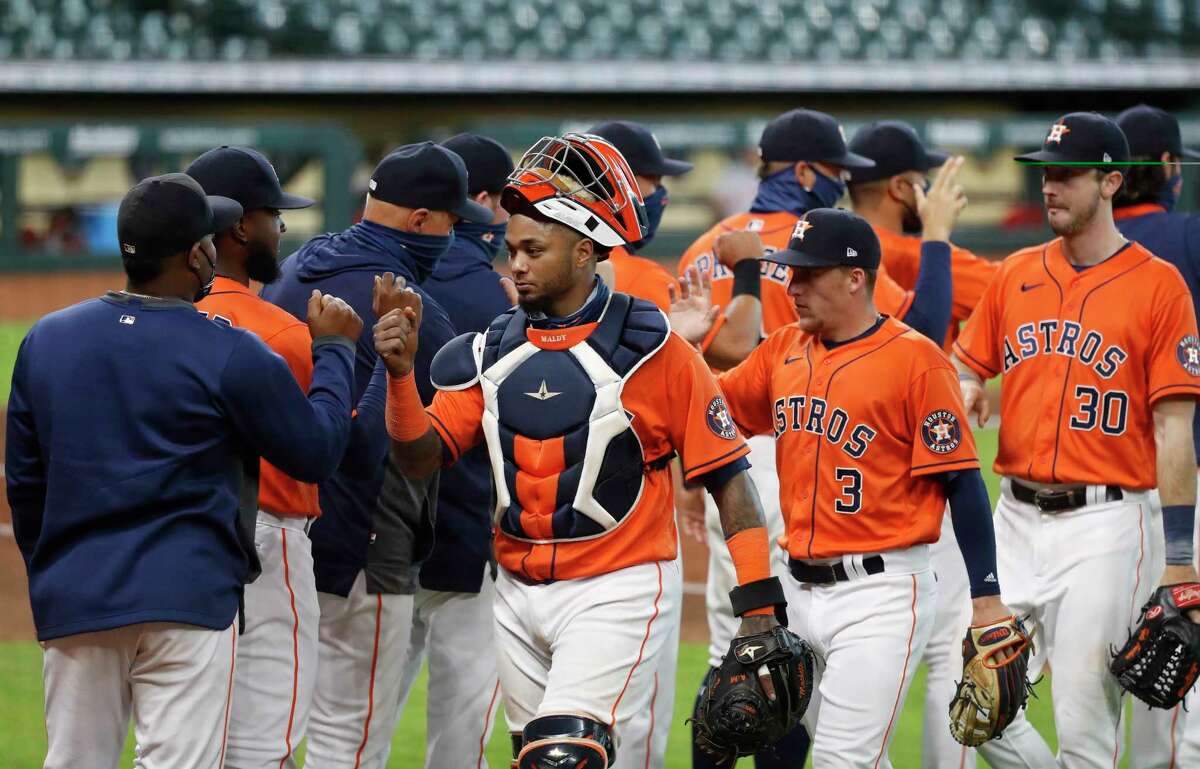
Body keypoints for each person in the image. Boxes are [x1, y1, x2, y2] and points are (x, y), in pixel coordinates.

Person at [376, 132, 784, 769]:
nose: (517, 264)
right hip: (514, 588)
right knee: (539, 755)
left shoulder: (655, 350)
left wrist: (758, 605)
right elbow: (418, 458)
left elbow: (729, 476)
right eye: (511, 249)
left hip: (618, 586)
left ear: (586, 249)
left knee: (562, 756)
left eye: (534, 250)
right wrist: (401, 378)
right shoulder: (487, 352)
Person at [6, 173, 364, 769]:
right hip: (188, 600)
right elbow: (317, 451)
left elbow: (26, 483)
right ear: (199, 254)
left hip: (78, 595)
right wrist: (334, 353)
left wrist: (58, 565)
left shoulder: (47, 340)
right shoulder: (228, 350)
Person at [675, 107, 961, 769]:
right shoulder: (826, 248)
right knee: (784, 671)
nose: (841, 185)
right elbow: (924, 326)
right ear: (804, 171)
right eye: (835, 173)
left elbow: (693, 371)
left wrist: (692, 478)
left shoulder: (706, 244)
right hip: (800, 452)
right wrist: (939, 238)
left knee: (739, 658)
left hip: (722, 452)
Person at [712, 207, 1014, 768]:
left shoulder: (916, 361)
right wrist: (678, 345)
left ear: (856, 278)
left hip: (882, 594)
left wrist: (987, 598)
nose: (792, 285)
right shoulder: (782, 349)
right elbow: (709, 407)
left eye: (808, 274)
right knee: (853, 759)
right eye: (789, 271)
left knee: (841, 761)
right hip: (797, 594)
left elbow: (962, 484)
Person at [953, 112, 1200, 769]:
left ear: (1112, 181)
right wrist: (968, 384)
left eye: (1067, 174)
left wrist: (1179, 558)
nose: (1050, 186)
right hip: (1013, 516)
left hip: (1107, 523)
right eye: (1044, 174)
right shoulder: (1015, 273)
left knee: (1085, 727)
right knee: (979, 704)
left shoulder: (1158, 285)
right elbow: (965, 363)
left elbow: (1176, 428)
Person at [262, 142, 491, 768]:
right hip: (366, 536)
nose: (455, 233)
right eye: (451, 220)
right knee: (350, 737)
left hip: (278, 529)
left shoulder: (295, 270)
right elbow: (460, 422)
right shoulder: (407, 302)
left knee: (262, 731)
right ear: (419, 221)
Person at [187, 145, 386, 769]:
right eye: (274, 213)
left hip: (176, 545)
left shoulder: (161, 318)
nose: (282, 227)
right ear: (241, 227)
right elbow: (340, 445)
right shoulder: (279, 334)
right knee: (263, 742)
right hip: (267, 549)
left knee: (186, 738)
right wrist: (371, 359)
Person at [845, 120, 998, 769]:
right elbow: (1006, 291)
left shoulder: (824, 254)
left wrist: (967, 365)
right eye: (922, 179)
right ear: (905, 187)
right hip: (913, 478)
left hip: (830, 475)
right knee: (949, 656)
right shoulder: (901, 254)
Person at [391, 132, 515, 769]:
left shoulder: (382, 267)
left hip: (377, 528)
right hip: (462, 526)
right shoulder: (494, 291)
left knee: (355, 724)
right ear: (486, 201)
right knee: (461, 726)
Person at [1114, 104, 1200, 769]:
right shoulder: (1192, 237)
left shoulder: (1085, 249)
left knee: (1130, 658)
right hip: (1189, 480)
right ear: (1168, 167)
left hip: (1102, 497)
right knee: (1181, 665)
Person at [589, 119, 693, 312]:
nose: (660, 192)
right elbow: (733, 343)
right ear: (620, 182)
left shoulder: (542, 267)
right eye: (654, 180)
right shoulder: (646, 280)